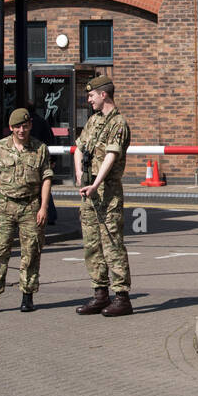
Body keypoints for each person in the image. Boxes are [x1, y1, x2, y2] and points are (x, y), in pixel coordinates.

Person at [0, 107, 54, 314]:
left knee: (31, 252)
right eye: (17, 127)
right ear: (10, 128)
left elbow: (46, 178)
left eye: (25, 126)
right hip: (4, 206)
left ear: (30, 125)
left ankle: (27, 296)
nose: (21, 130)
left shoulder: (40, 149)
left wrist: (43, 207)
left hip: (30, 206)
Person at [74, 75, 133, 317]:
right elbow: (78, 147)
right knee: (92, 245)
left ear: (104, 94)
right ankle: (100, 293)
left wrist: (95, 183)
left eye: (91, 95)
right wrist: (79, 175)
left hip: (107, 194)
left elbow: (111, 156)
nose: (89, 99)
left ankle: (122, 297)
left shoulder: (118, 123)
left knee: (112, 244)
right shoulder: (93, 121)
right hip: (89, 194)